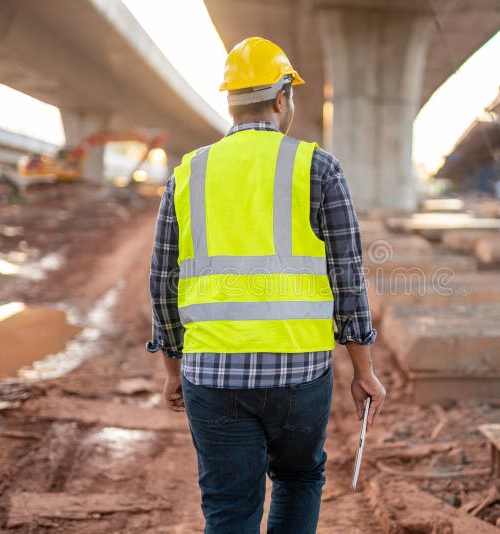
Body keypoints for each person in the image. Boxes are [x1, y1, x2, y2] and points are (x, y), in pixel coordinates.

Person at [147, 36, 386, 533]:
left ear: (230, 102)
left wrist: (173, 366)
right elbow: (348, 276)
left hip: (211, 374)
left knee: (230, 508)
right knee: (298, 479)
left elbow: (163, 283)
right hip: (300, 373)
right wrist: (363, 368)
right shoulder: (318, 166)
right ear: (282, 99)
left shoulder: (187, 174)